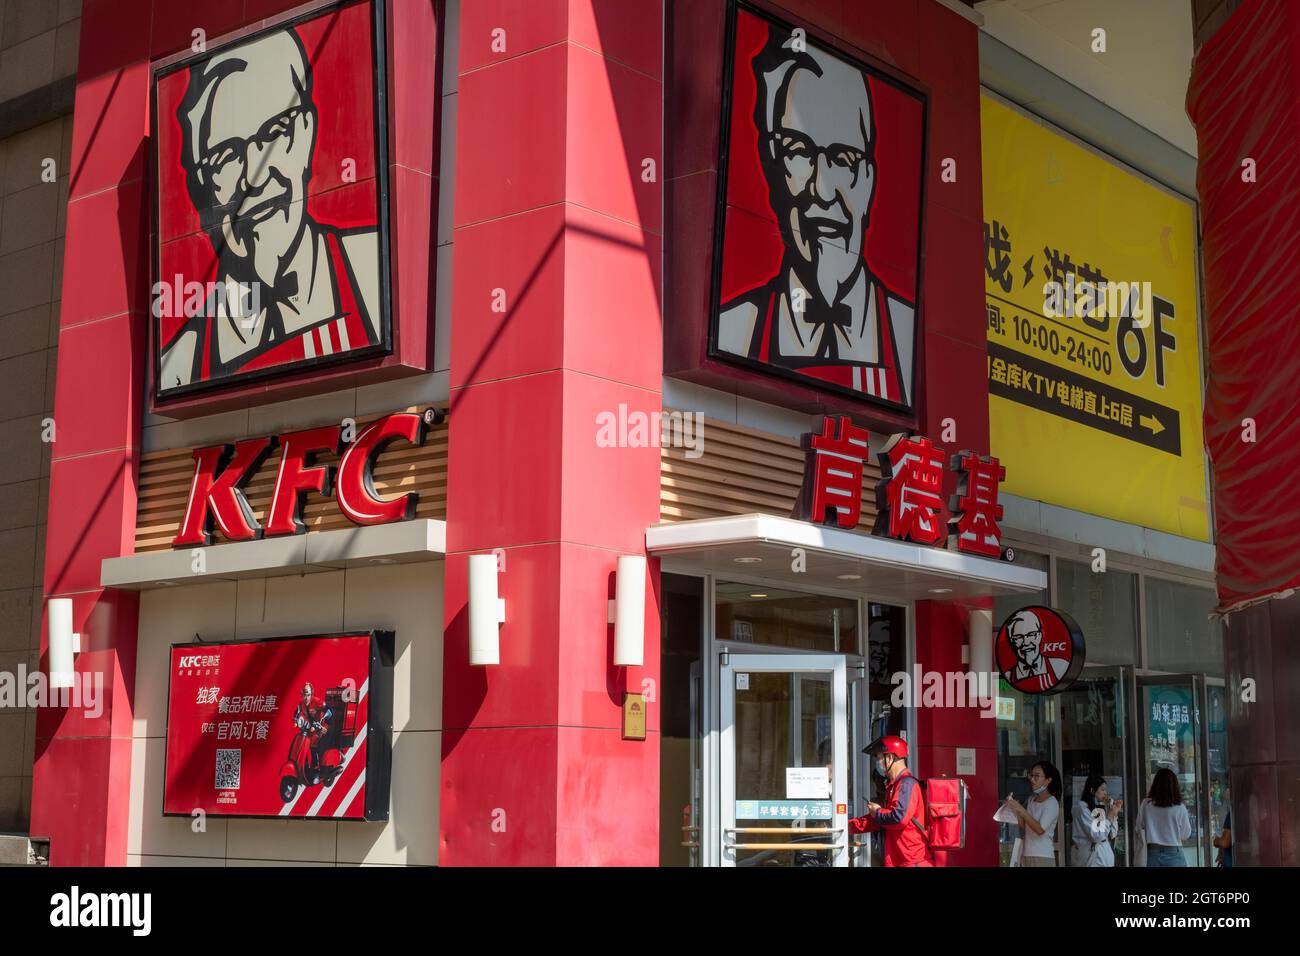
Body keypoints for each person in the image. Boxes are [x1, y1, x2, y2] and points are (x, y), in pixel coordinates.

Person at [161, 27, 382, 389]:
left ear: (307, 134)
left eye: (274, 132)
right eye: (225, 155)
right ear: (202, 190)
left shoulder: (374, 277)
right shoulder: (180, 367)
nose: (255, 177)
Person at [716, 25, 915, 405]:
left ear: (869, 180)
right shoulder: (734, 329)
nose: (822, 191)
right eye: (800, 152)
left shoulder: (907, 339)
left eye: (843, 158)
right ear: (774, 168)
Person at [848, 736, 932, 867]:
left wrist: (878, 812)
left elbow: (899, 818)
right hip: (900, 861)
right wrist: (847, 826)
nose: (877, 762)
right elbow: (879, 820)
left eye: (879, 758)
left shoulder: (906, 784)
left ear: (890, 758)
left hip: (912, 861)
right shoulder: (894, 785)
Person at [1002, 760, 1060, 866]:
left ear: (1048, 780)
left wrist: (1021, 809)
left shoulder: (1052, 802)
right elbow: (1025, 826)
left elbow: (1039, 829)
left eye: (1037, 776)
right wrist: (1014, 811)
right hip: (1026, 853)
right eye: (1031, 775)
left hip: (1043, 856)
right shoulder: (1031, 800)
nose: (1032, 779)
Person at [1002, 609, 1069, 692]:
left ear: (1039, 636)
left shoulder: (1059, 666)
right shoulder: (1008, 676)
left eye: (1031, 634)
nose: (1026, 643)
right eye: (1018, 637)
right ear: (1012, 641)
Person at [1136, 768, 1192, 867]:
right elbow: (1186, 834)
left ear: (1156, 784)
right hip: (1174, 853)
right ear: (1174, 785)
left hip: (1152, 853)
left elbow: (1138, 827)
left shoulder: (1146, 804)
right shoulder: (1180, 807)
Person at [1071, 774, 1122, 867]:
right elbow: (1097, 836)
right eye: (1102, 789)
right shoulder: (1082, 809)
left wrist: (1113, 813)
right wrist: (1110, 816)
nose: (1105, 793)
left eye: (1105, 790)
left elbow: (1112, 834)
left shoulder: (1097, 808)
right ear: (1092, 790)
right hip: (1092, 860)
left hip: (1104, 858)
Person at [292, 682, 333, 773]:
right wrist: (295, 721)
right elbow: (296, 713)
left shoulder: (317, 701)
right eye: (304, 695)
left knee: (315, 743)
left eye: (308, 695)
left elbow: (329, 711)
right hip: (310, 727)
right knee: (303, 743)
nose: (306, 698)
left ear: (311, 694)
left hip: (322, 726)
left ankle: (318, 766)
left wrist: (321, 722)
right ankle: (304, 765)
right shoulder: (301, 704)